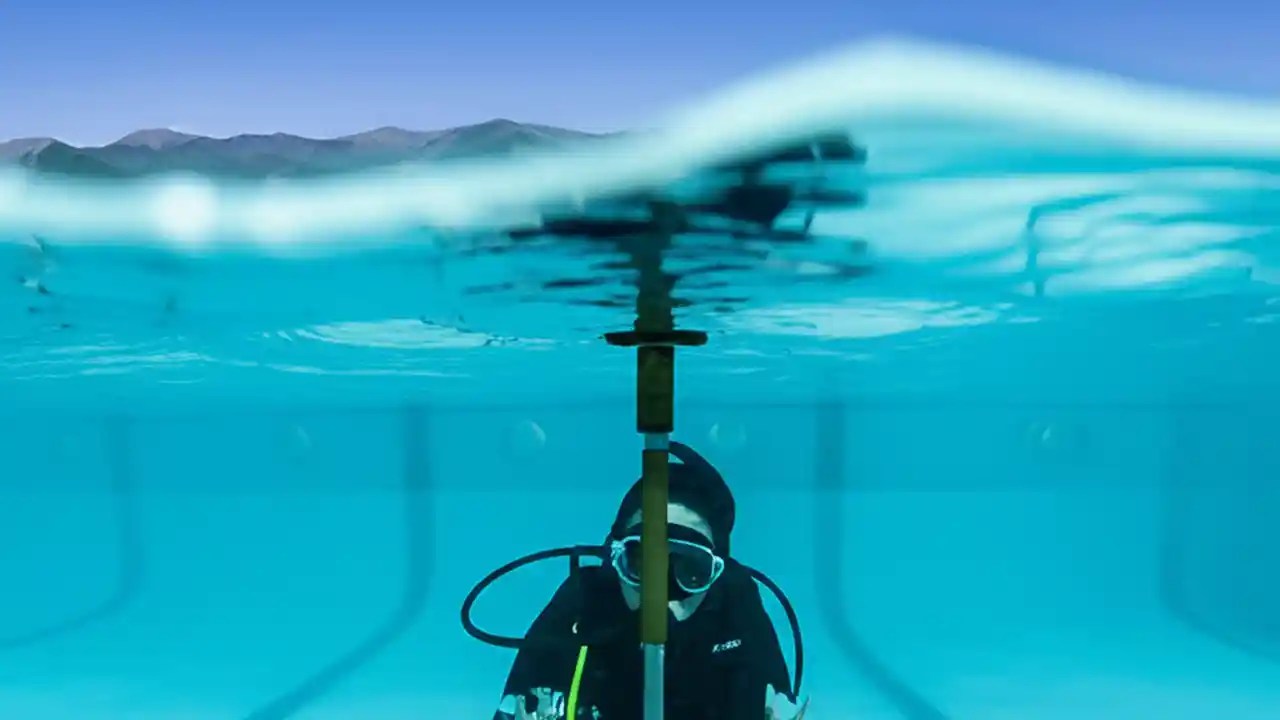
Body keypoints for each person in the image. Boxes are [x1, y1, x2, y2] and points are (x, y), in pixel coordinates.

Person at [492, 442, 806, 720]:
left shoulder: (732, 603)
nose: (662, 595)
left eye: (690, 570)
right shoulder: (586, 604)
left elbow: (772, 699)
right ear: (615, 560)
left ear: (715, 574)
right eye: (643, 563)